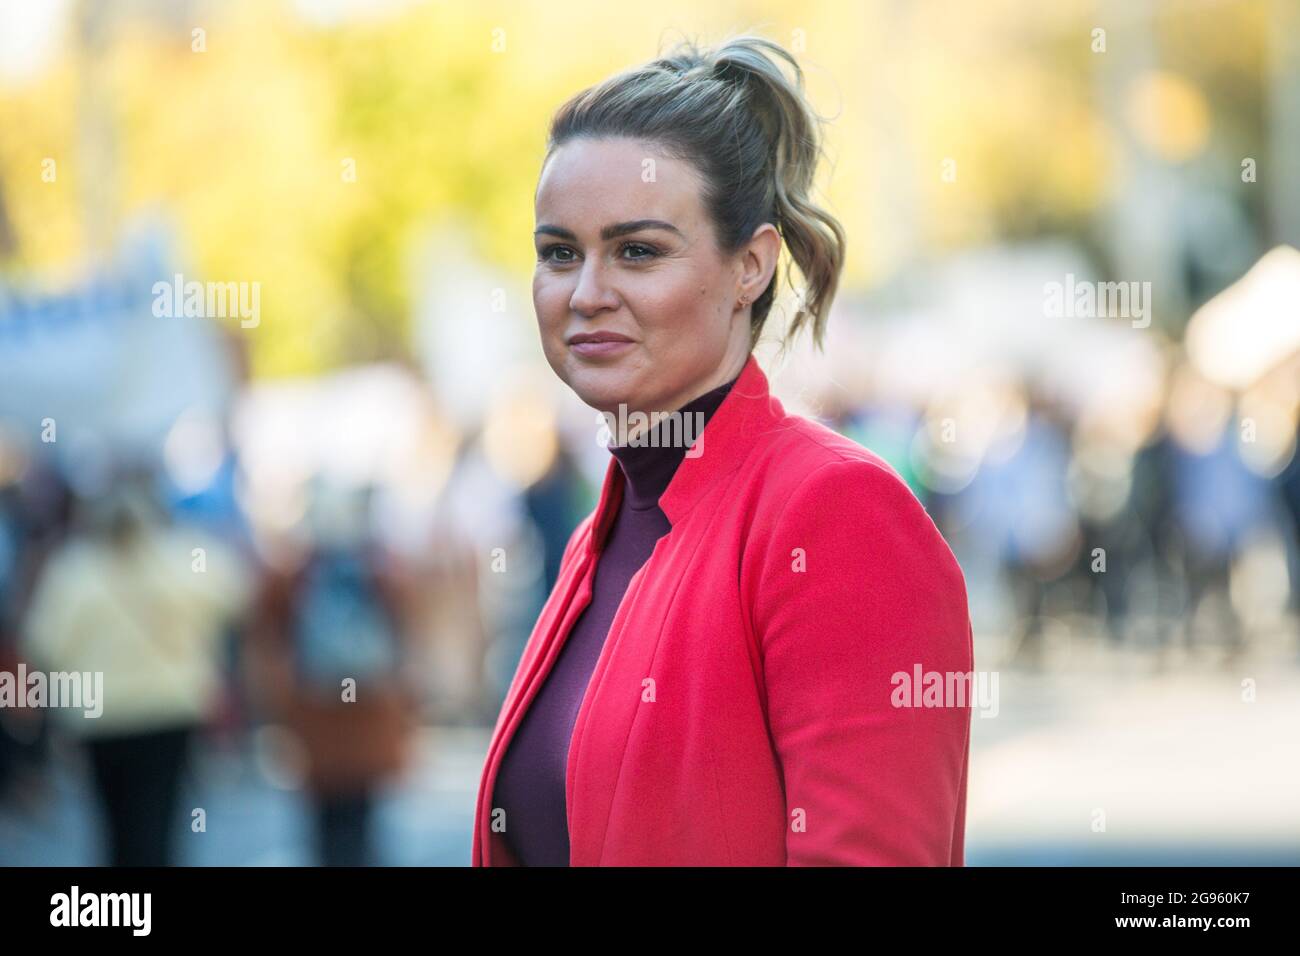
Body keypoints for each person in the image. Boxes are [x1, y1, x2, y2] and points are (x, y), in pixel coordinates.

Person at [473, 34, 973, 866]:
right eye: (559, 252)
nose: (588, 293)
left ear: (750, 265)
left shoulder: (831, 511)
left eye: (638, 250)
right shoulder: (591, 545)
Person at [22, 471, 251, 866]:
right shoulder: (182, 560)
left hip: (100, 717)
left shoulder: (75, 570)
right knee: (159, 820)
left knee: (113, 827)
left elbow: (45, 644)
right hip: (170, 707)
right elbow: (236, 597)